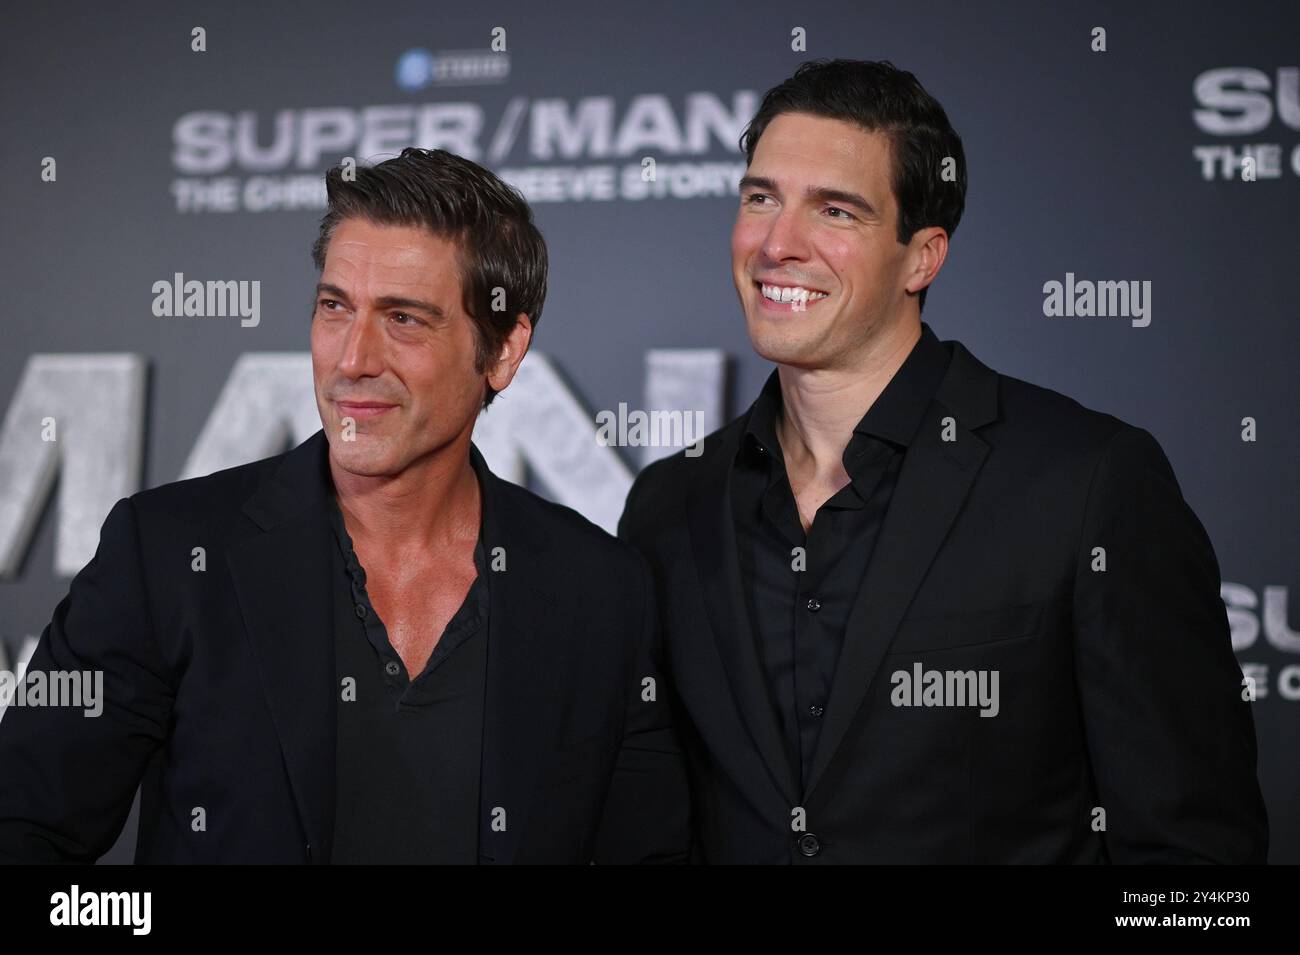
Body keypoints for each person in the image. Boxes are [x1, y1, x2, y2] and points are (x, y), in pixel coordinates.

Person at [618, 59, 1267, 863]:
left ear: (922, 258)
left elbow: (1198, 873)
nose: (778, 243)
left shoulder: (1088, 482)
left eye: (837, 210)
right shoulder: (668, 502)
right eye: (761, 198)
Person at [0, 147, 690, 864]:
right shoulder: (165, 555)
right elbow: (22, 832)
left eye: (405, 319)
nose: (353, 357)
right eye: (336, 307)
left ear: (504, 349)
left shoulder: (602, 591)